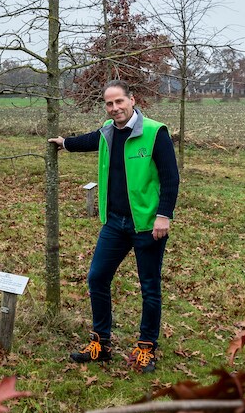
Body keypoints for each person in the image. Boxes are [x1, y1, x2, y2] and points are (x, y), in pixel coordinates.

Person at [48, 79, 179, 373]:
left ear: (132, 99)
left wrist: (163, 215)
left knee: (149, 287)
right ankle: (101, 343)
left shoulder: (154, 132)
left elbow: (171, 178)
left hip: (146, 225)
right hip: (115, 224)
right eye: (109, 104)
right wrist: (65, 143)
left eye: (119, 101)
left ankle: (147, 347)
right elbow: (89, 140)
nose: (115, 108)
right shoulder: (108, 132)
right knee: (97, 278)